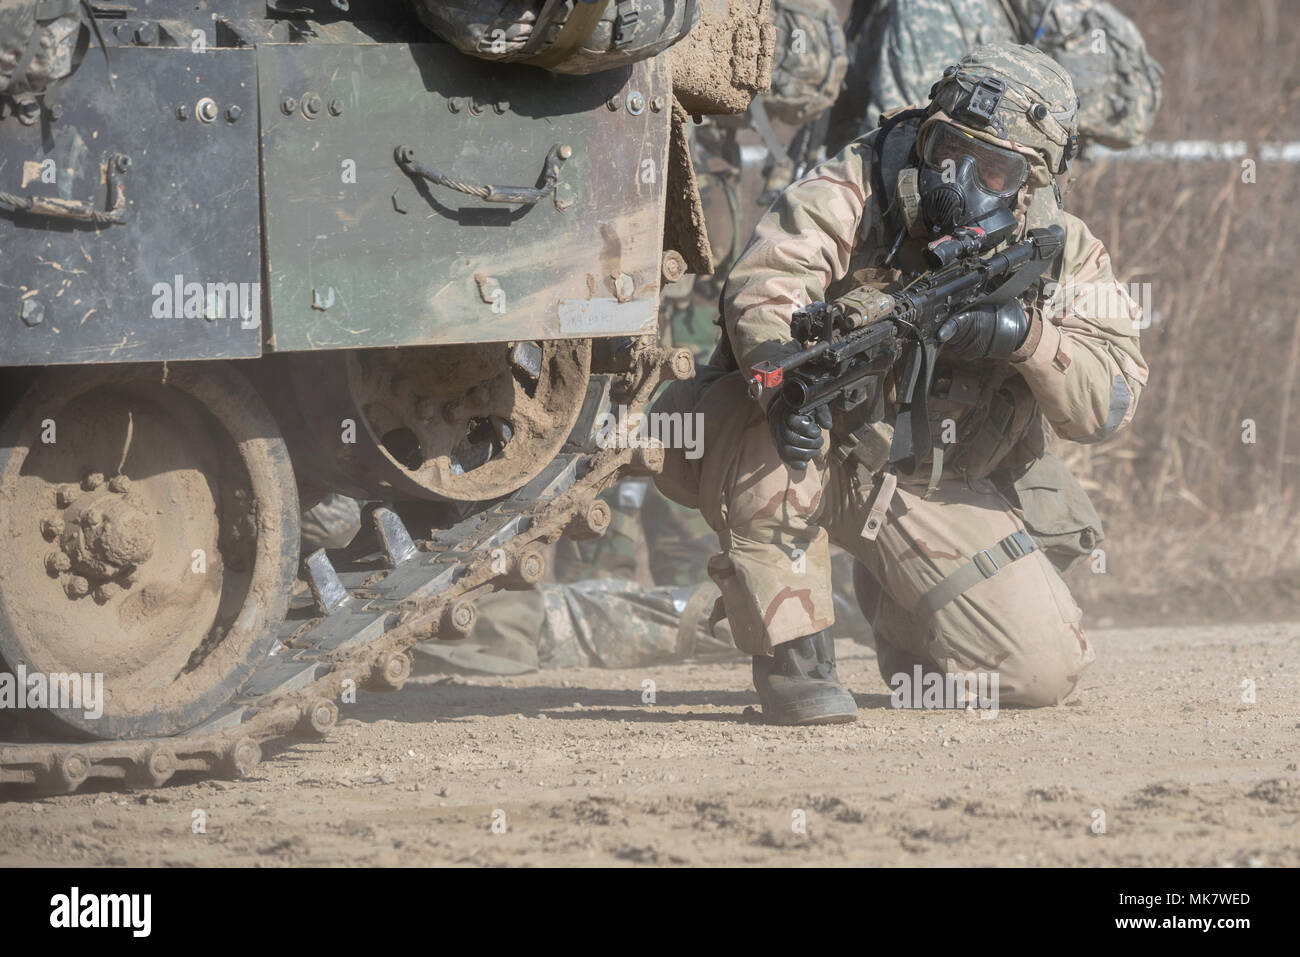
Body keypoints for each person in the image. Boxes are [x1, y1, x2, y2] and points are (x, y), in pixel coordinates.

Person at [653, 41, 1147, 724]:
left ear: (1034, 180)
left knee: (1041, 672)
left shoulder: (1061, 247)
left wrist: (1025, 337)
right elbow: (769, 280)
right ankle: (794, 658)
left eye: (995, 169)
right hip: (822, 450)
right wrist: (780, 388)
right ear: (925, 130)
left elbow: (1109, 402)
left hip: (927, 480)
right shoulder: (857, 183)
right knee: (770, 421)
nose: (959, 180)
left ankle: (909, 627)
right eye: (947, 149)